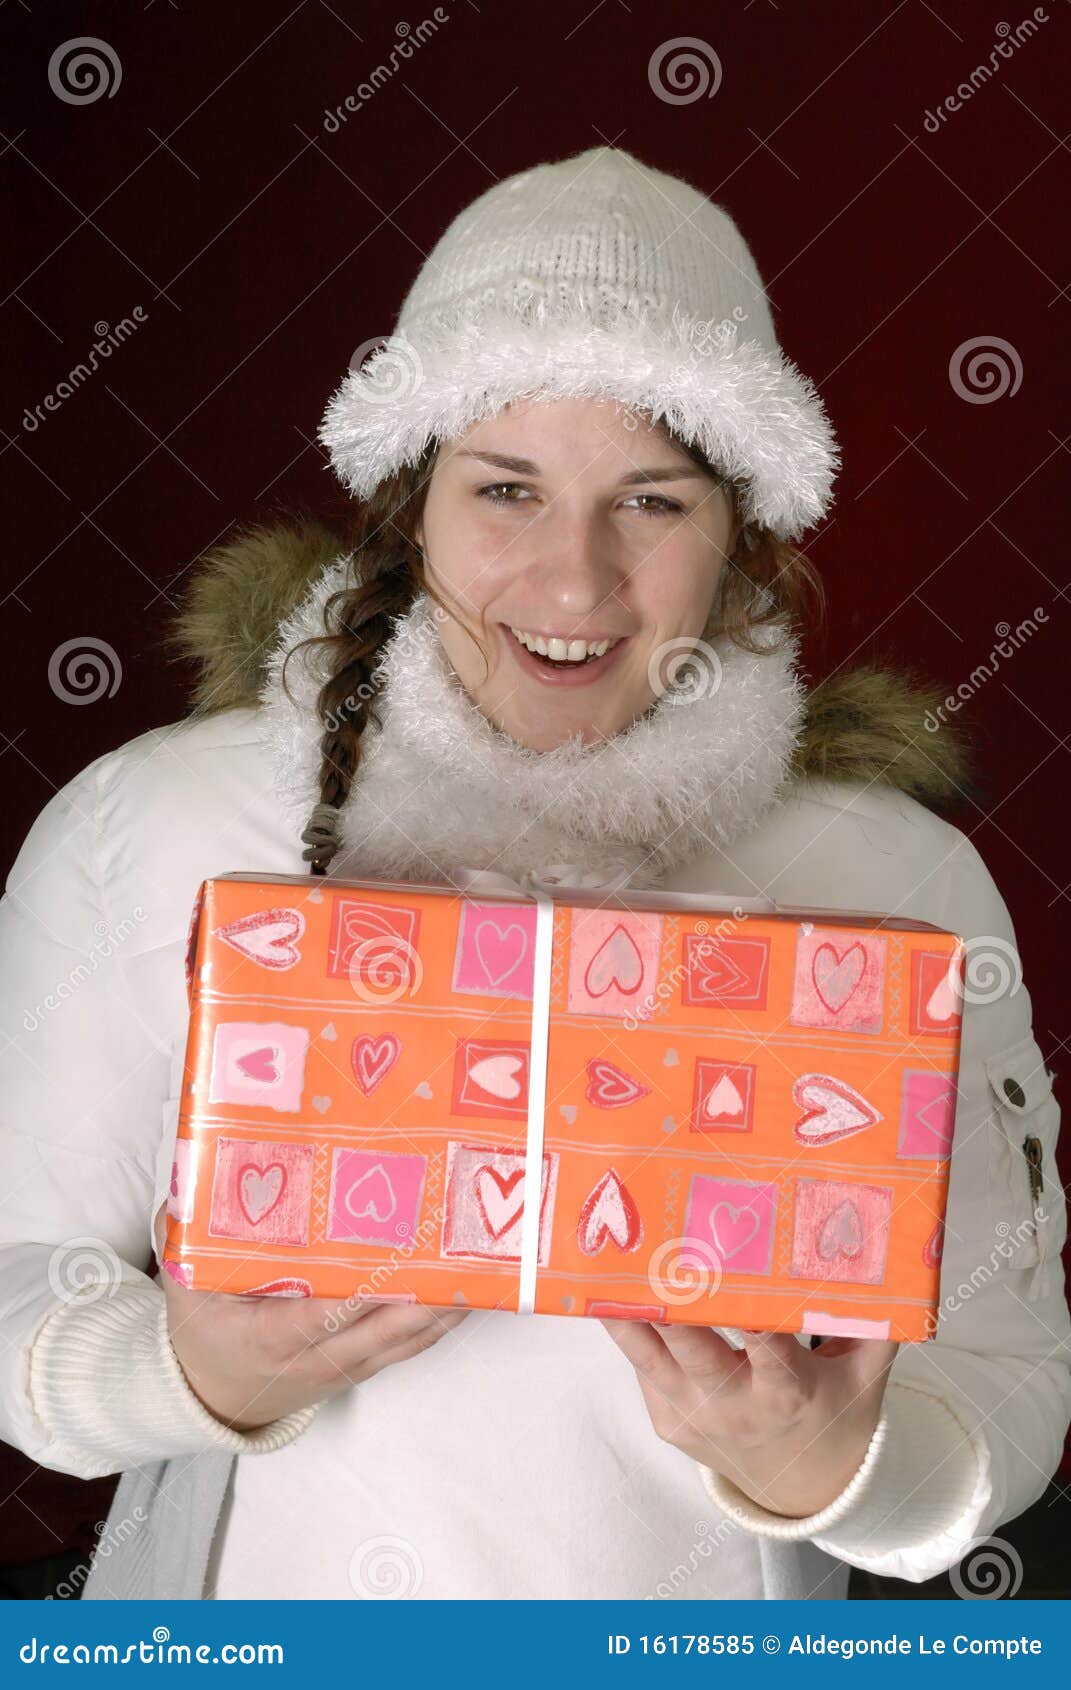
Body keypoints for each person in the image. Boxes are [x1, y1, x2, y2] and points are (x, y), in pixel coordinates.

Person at [0, 147, 1067, 1602]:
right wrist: (190, 1373)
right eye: (507, 488)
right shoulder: (155, 828)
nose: (575, 581)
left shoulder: (894, 881)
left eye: (654, 502)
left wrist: (832, 1468)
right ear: (411, 503)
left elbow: (1012, 1379)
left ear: (742, 529)